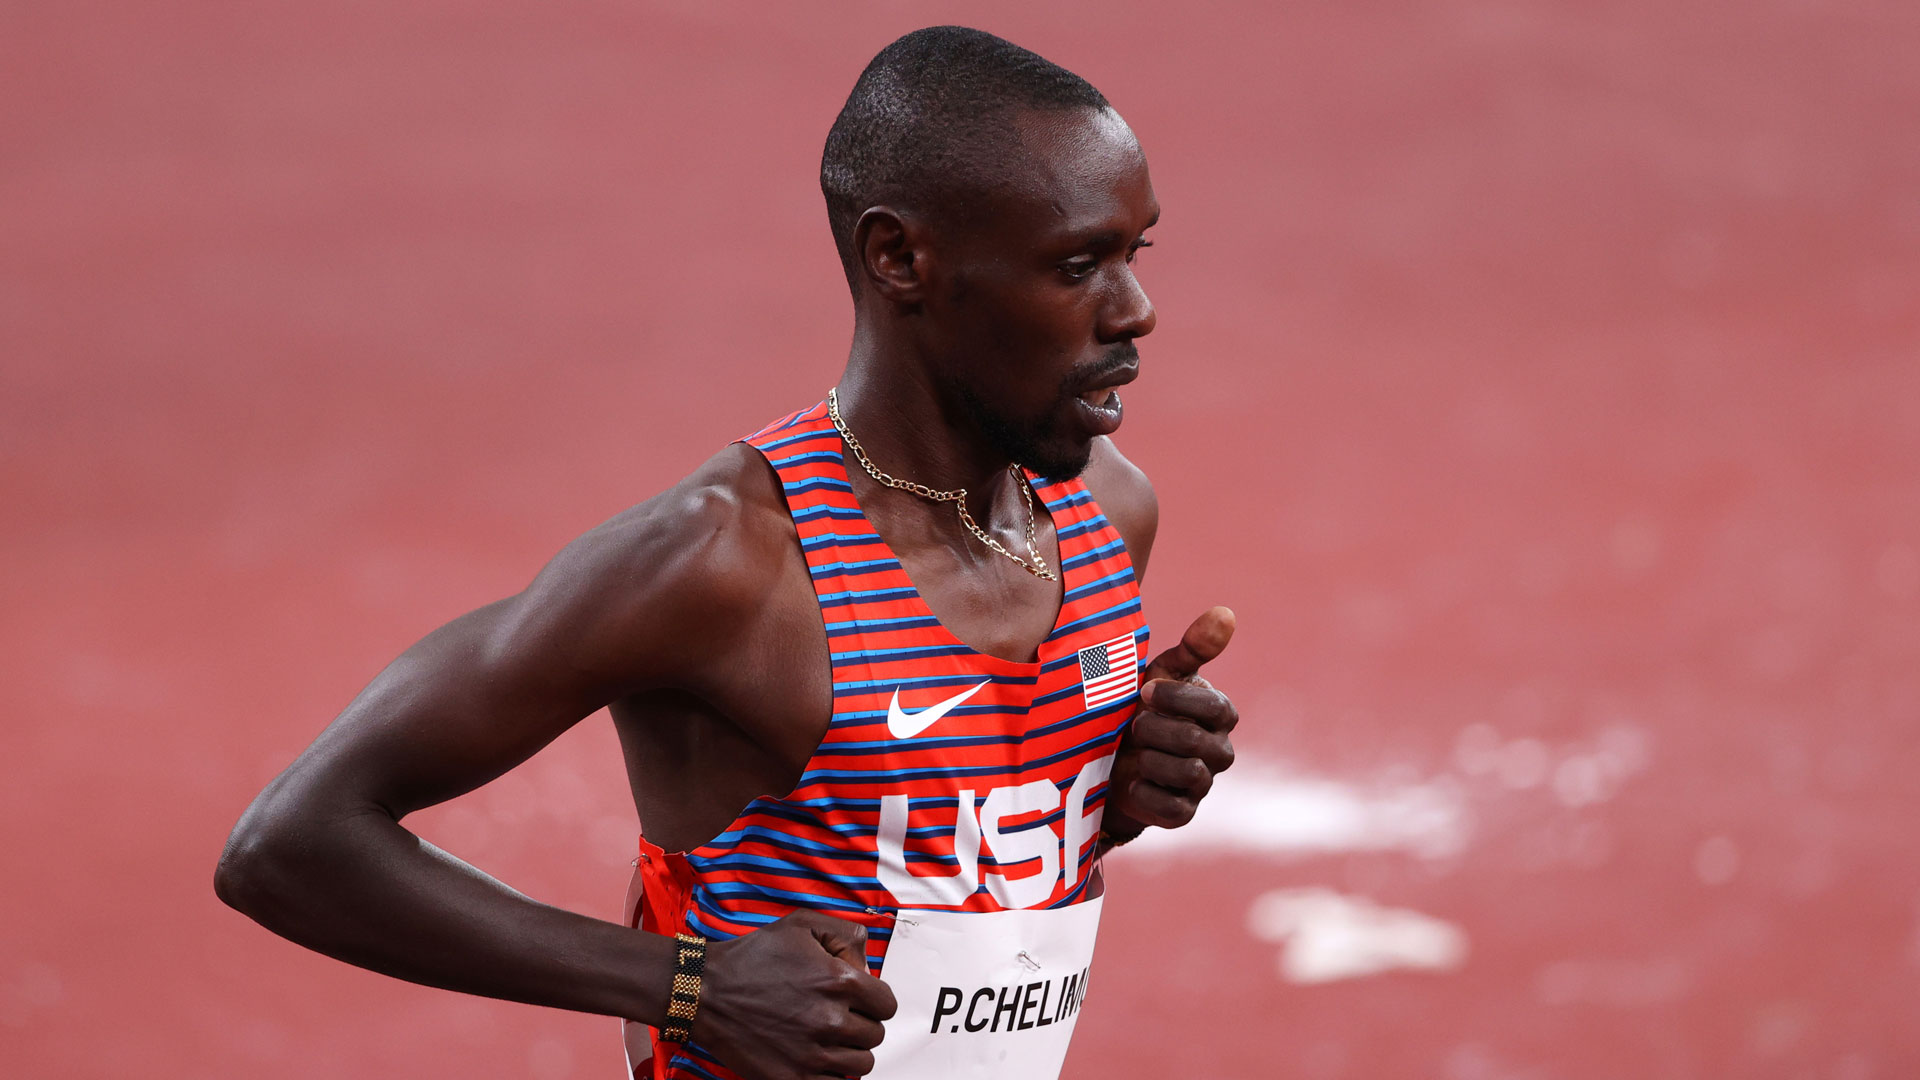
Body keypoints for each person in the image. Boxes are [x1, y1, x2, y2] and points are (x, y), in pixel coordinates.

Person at [216, 25, 1239, 1080]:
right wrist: (685, 985)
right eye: (1077, 264)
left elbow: (936, 870)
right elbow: (290, 843)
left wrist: (1101, 799)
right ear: (900, 260)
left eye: (1135, 253)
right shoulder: (729, 564)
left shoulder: (1107, 515)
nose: (1137, 310)